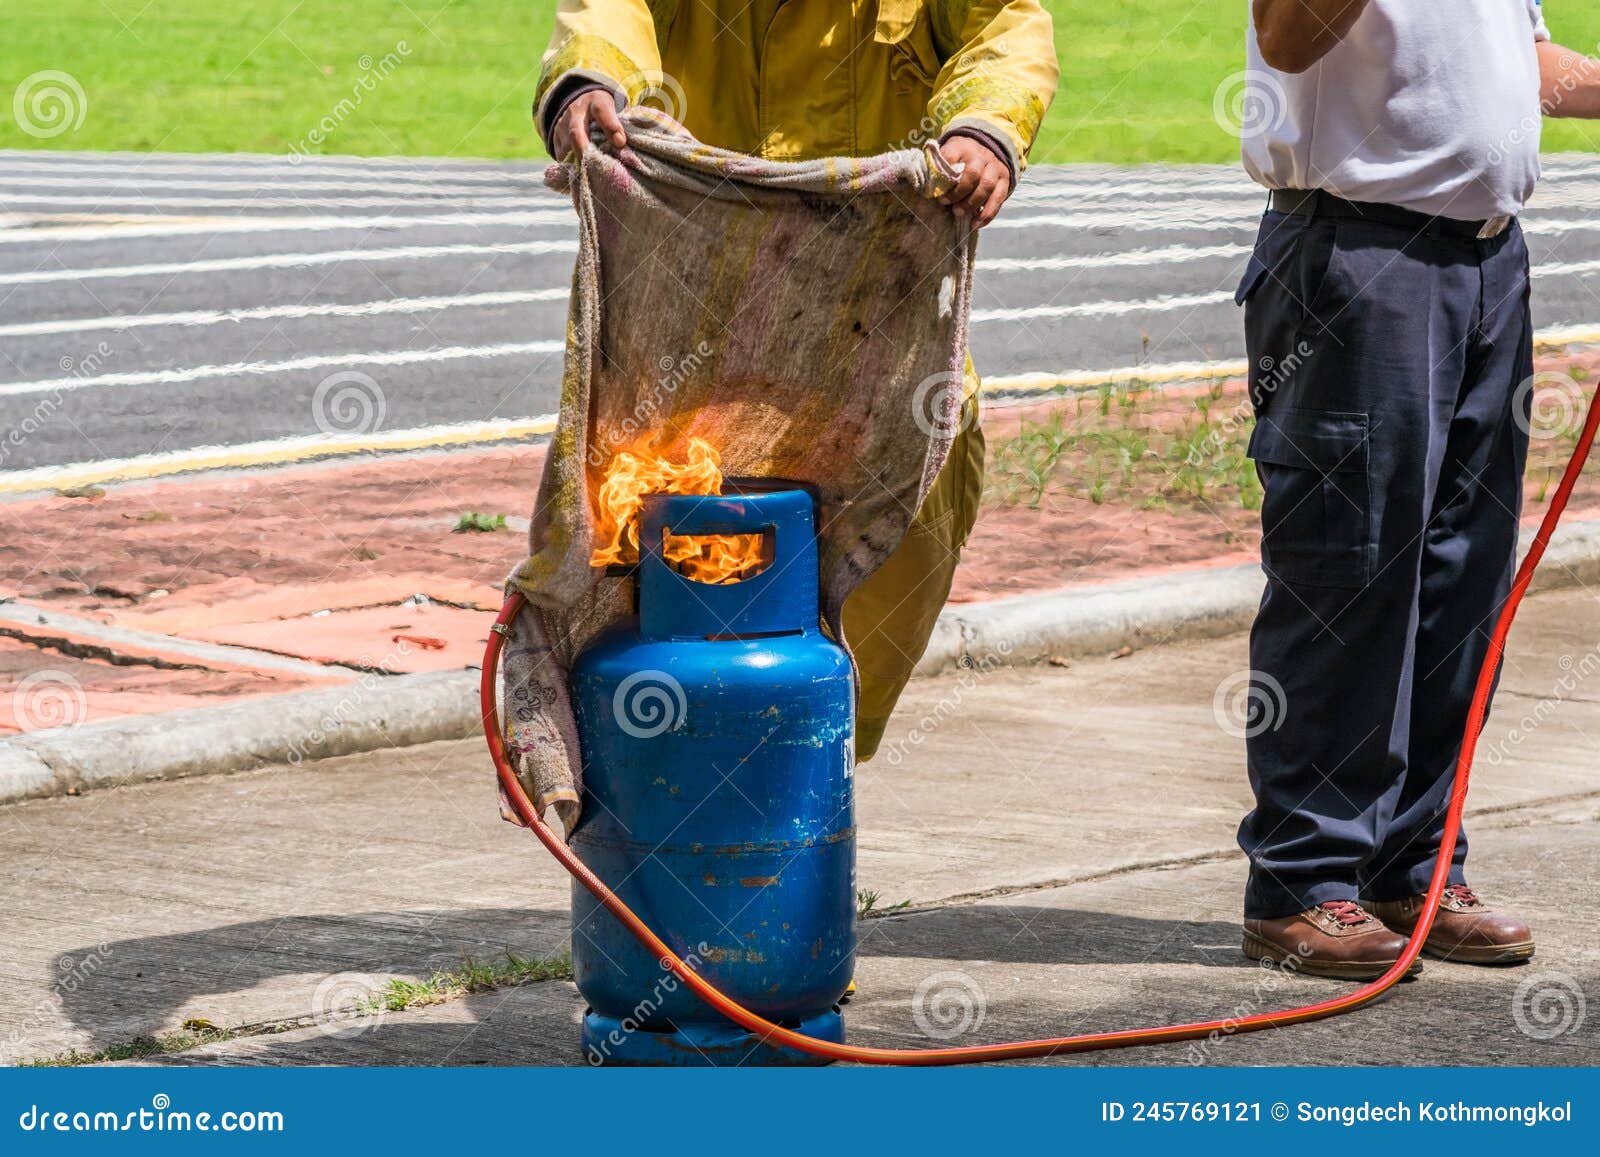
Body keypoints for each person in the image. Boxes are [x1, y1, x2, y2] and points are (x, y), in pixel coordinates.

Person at [534, 1, 1058, 759]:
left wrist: (984, 127)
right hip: (695, 354)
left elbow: (1006, 27)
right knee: (659, 635)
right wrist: (591, 79)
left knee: (854, 658)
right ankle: (674, 816)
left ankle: (805, 794)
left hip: (879, 347)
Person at [1236, 0, 1600, 978]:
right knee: (1347, 575)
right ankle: (1304, 882)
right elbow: (1285, 36)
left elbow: (1518, 64)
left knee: (1460, 581)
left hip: (1486, 260)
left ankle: (1413, 866)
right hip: (1358, 255)